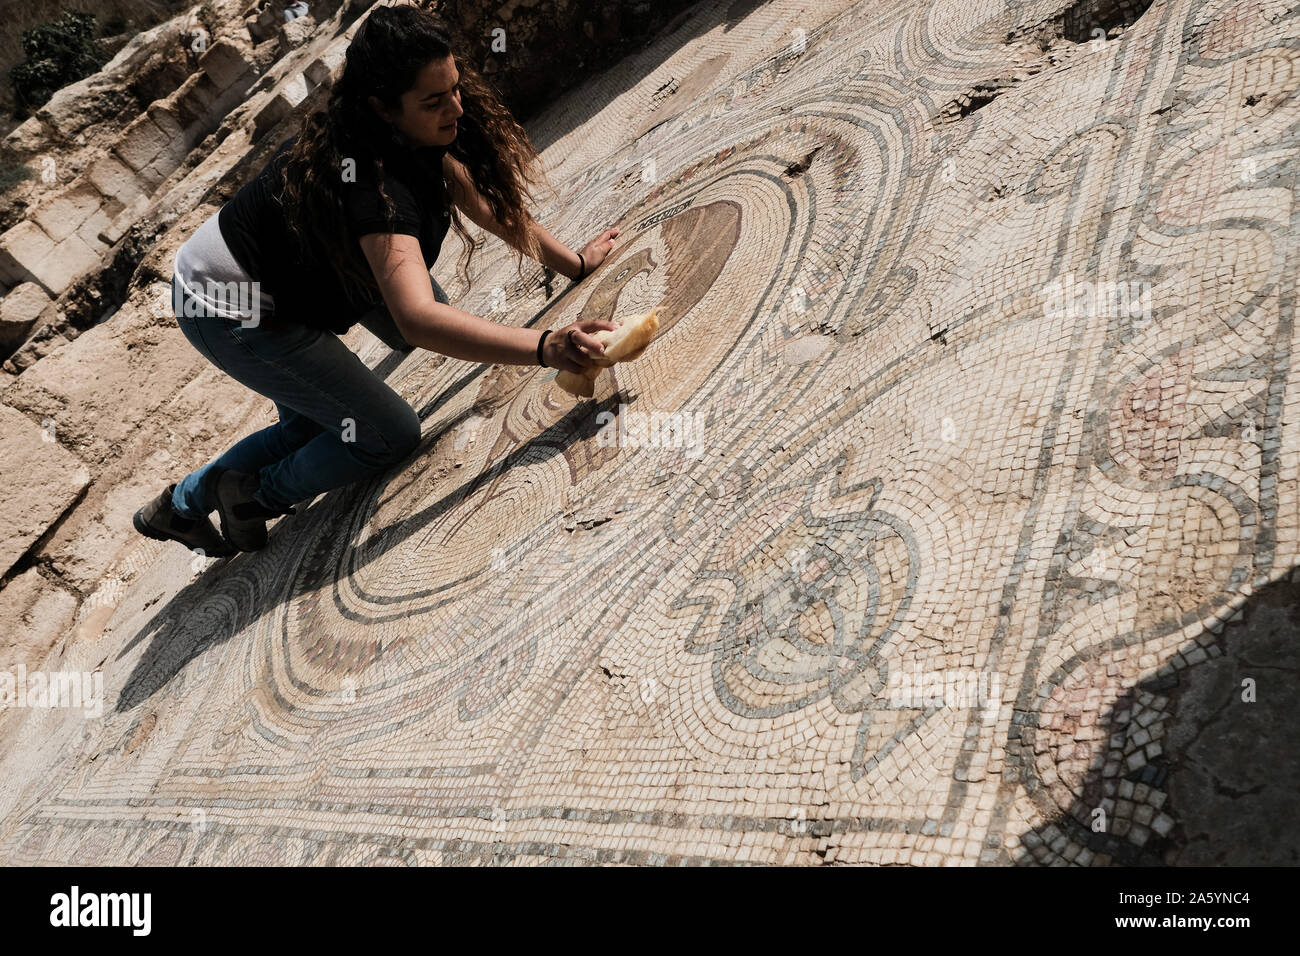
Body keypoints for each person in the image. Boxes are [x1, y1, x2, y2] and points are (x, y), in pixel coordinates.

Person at [134, 3, 620, 556]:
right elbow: (419, 322)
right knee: (384, 431)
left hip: (275, 268)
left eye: (456, 89)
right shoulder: (368, 182)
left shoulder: (413, 133)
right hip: (229, 304)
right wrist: (545, 346)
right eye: (434, 102)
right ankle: (243, 497)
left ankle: (179, 504)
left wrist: (573, 264)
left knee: (353, 383)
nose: (456, 108)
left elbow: (482, 204)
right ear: (382, 108)